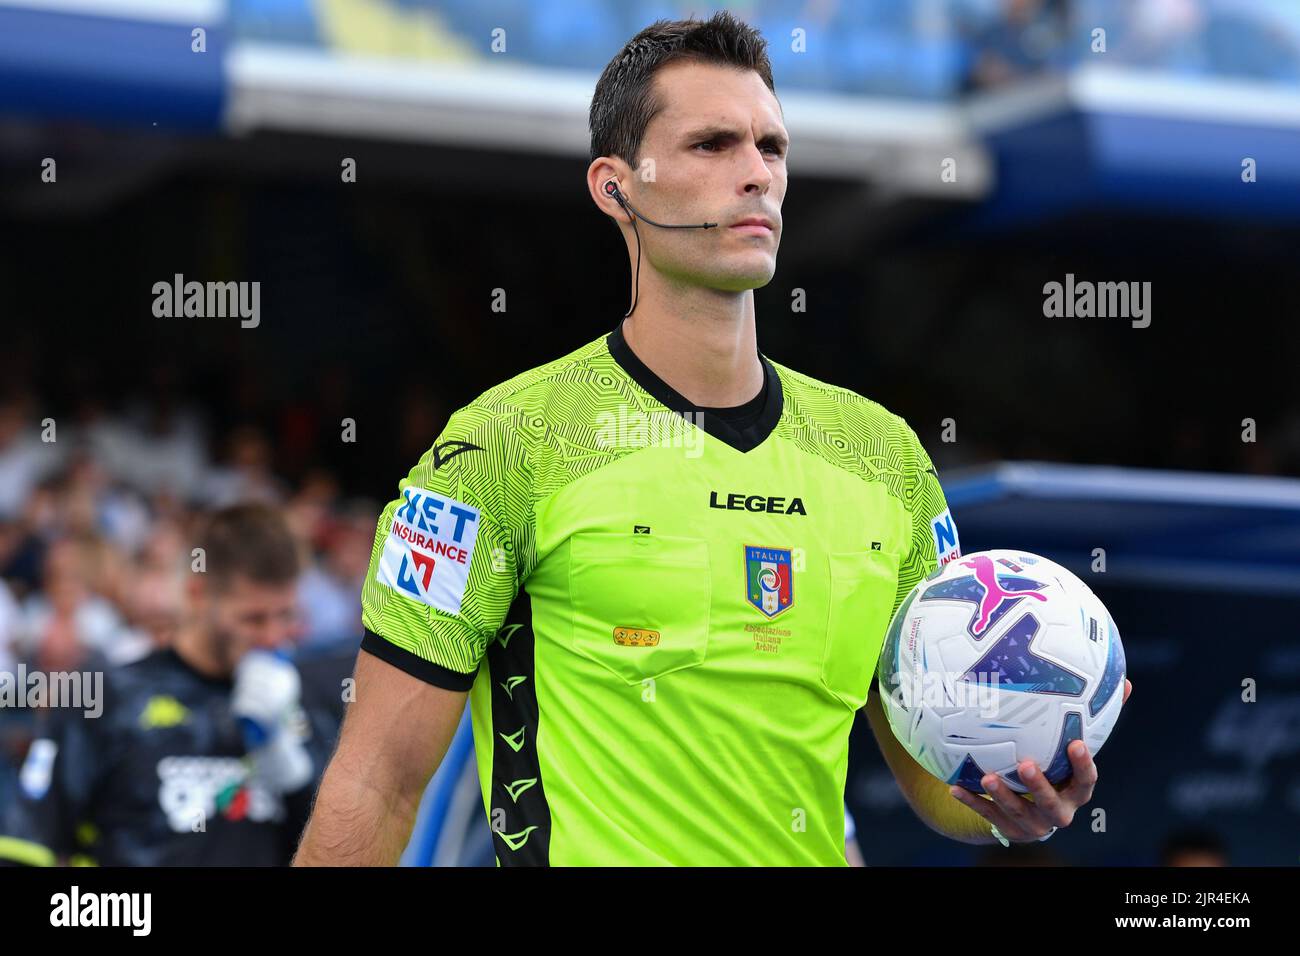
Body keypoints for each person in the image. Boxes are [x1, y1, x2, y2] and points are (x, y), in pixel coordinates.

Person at [295, 11, 1130, 867]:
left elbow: (931, 780)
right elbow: (378, 783)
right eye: (712, 145)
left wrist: (1005, 804)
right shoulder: (503, 448)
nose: (756, 175)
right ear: (615, 186)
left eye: (771, 148)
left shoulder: (885, 458)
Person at [0, 503, 339, 866]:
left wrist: (289, 767)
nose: (273, 636)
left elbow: (340, 852)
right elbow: (26, 845)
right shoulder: (107, 698)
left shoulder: (307, 702)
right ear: (198, 594)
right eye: (253, 619)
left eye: (285, 615)